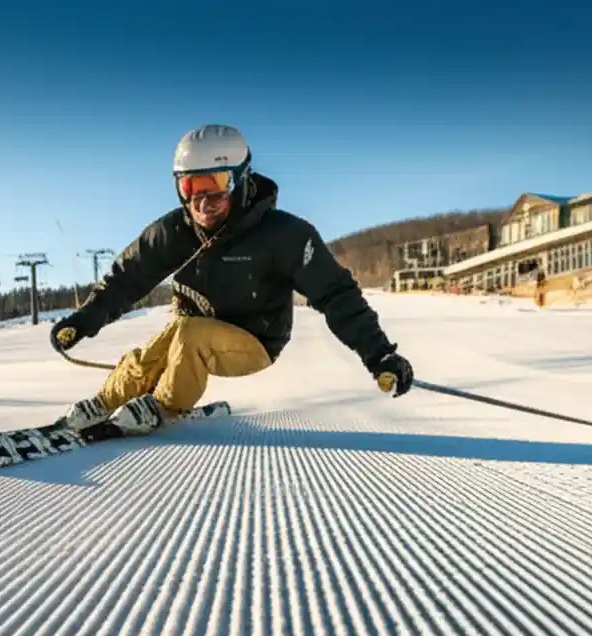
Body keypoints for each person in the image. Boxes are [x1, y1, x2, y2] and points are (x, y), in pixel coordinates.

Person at [49, 124, 413, 435]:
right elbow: (128, 278)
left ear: (241, 180)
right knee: (162, 344)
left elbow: (336, 294)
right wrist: (84, 320)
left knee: (189, 335)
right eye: (191, 187)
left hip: (255, 341)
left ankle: (163, 407)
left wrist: (379, 354)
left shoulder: (284, 235)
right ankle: (105, 401)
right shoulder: (177, 230)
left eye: (216, 185)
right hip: (194, 329)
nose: (203, 202)